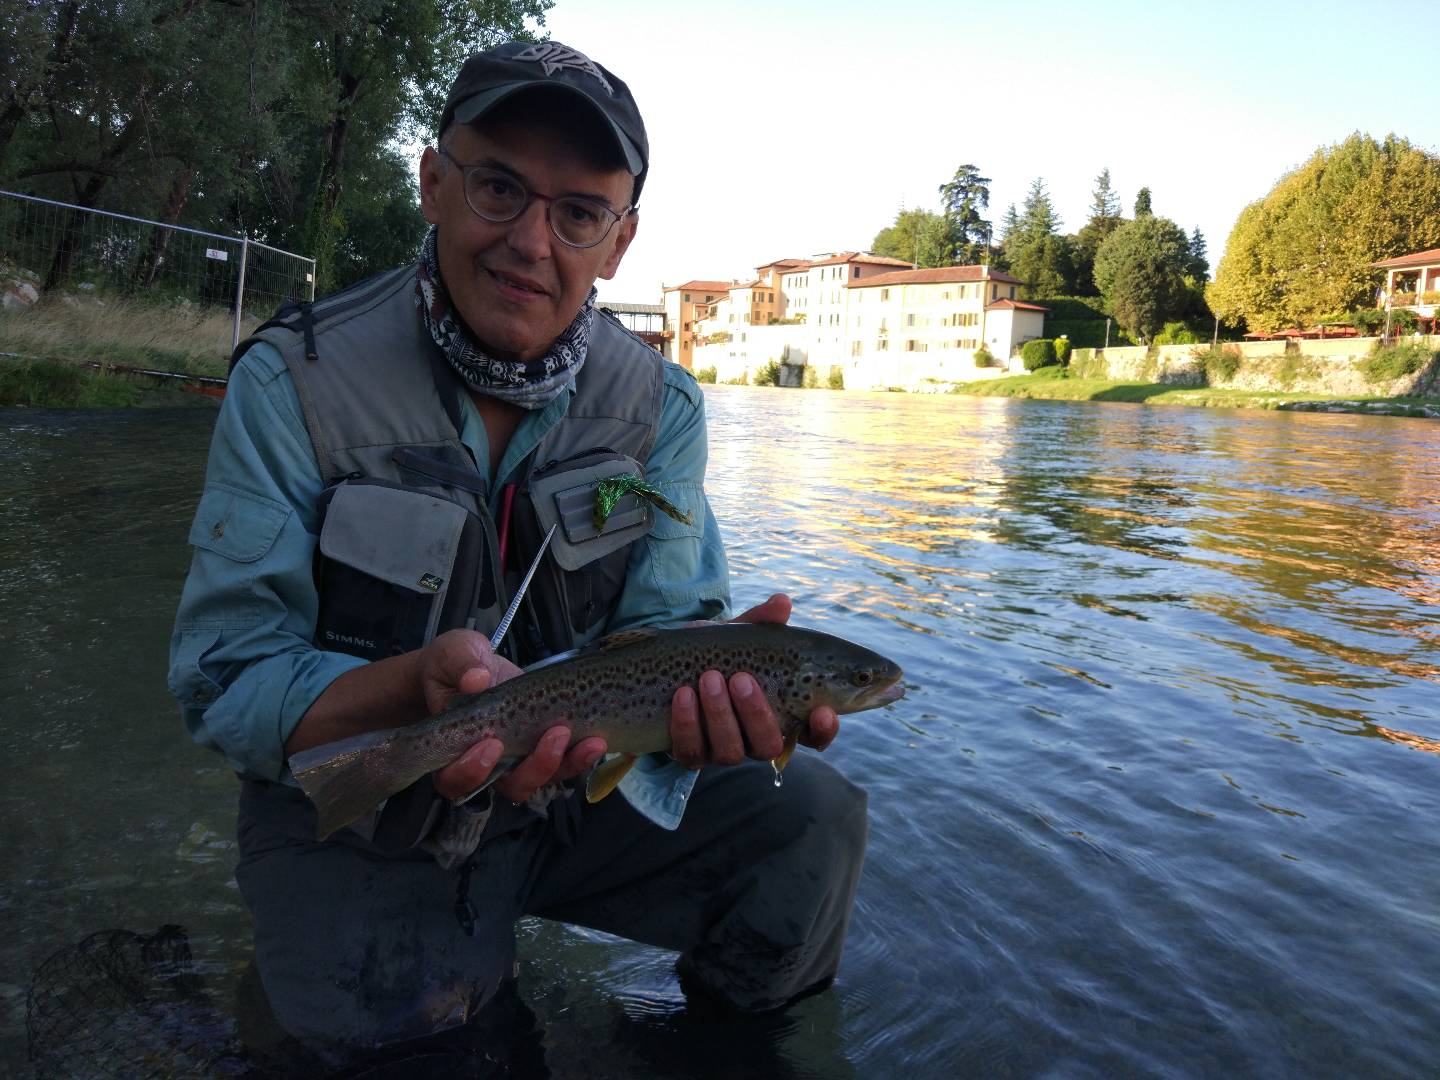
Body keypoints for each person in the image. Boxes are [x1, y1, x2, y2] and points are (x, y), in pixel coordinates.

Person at [168, 39, 868, 1056]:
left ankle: (723, 1047)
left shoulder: (660, 409)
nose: (532, 241)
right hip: (371, 798)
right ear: (433, 182)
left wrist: (712, 706)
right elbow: (225, 680)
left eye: (578, 212)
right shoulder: (293, 383)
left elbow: (665, 630)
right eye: (498, 187)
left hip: (574, 783)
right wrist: (416, 690)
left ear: (619, 241)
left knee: (808, 819)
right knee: (428, 1046)